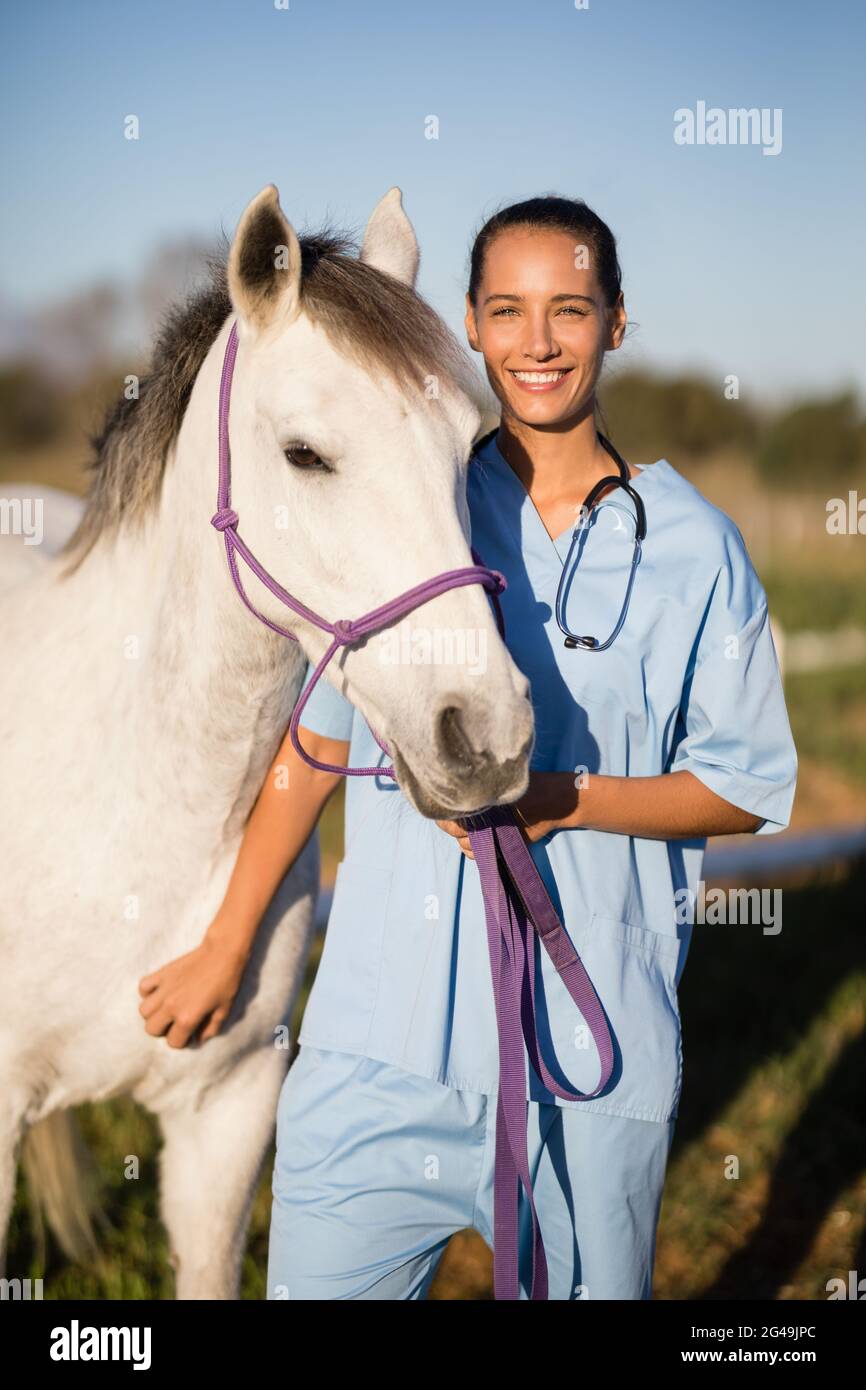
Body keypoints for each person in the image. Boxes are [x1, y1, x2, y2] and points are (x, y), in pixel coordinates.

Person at [140, 196, 797, 1300]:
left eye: (568, 310)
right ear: (469, 324)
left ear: (615, 323)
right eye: (506, 310)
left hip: (583, 1067)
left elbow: (740, 789)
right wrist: (229, 937)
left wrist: (564, 798)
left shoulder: (696, 549)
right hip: (371, 1055)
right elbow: (313, 744)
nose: (535, 341)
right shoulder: (415, 501)